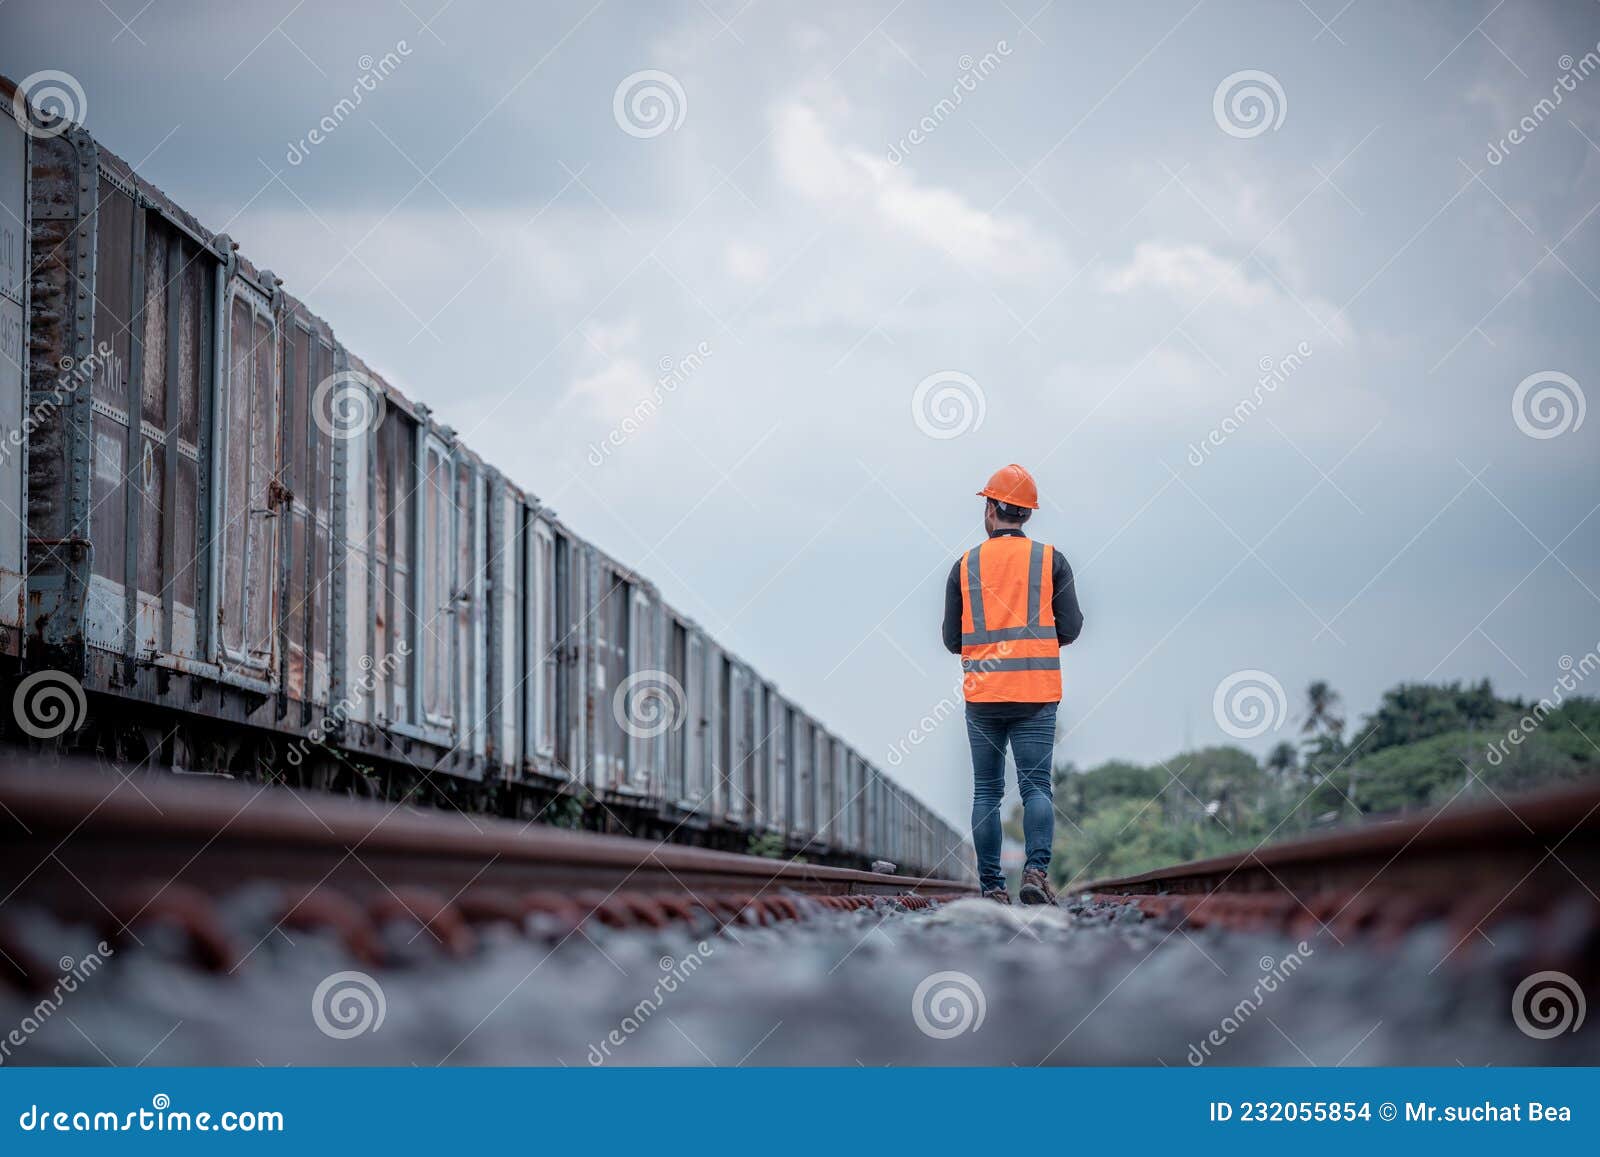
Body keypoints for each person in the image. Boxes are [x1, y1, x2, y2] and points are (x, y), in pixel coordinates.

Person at [942, 464, 1083, 905]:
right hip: (1036, 693)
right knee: (1036, 787)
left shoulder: (965, 565)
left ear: (991, 509)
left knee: (987, 791)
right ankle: (1036, 874)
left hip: (984, 696)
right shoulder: (1051, 560)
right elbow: (1071, 627)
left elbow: (951, 639)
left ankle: (992, 887)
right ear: (1028, 513)